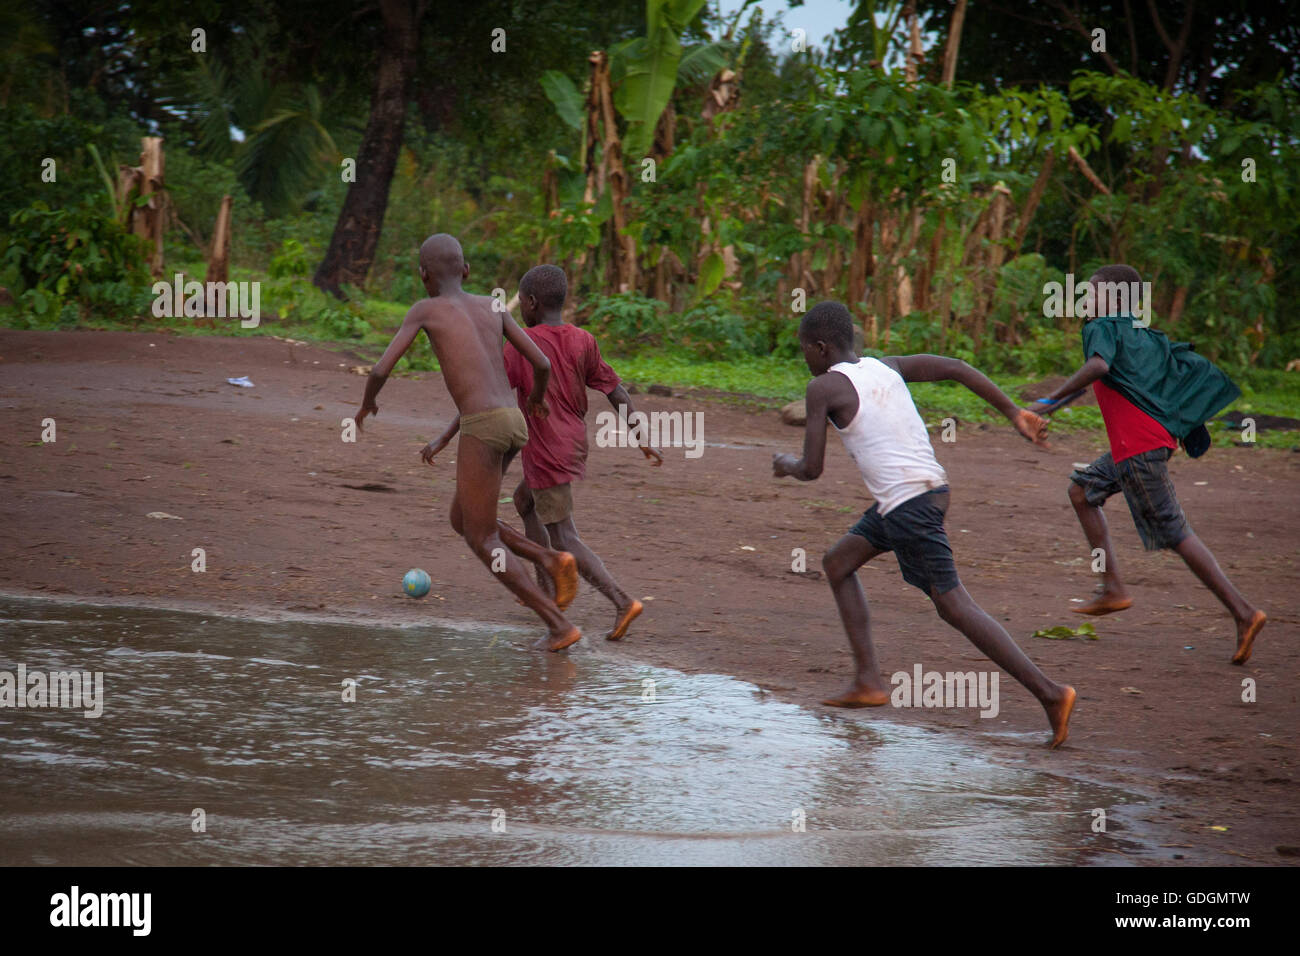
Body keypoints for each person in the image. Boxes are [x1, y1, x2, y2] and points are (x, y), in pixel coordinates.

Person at [773, 301, 1076, 748]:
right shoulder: (886, 366)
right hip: (926, 493)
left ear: (819, 347)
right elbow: (955, 367)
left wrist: (787, 465)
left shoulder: (822, 388)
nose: (805, 359)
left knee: (953, 605)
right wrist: (1015, 413)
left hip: (907, 507)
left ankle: (1050, 693)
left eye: (804, 350)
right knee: (838, 563)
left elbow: (813, 468)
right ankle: (868, 680)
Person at [353, 234, 582, 652]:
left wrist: (367, 405)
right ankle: (549, 558)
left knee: (481, 538)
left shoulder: (424, 309)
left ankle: (557, 624)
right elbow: (543, 363)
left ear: (423, 275)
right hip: (514, 422)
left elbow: (380, 369)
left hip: (482, 426)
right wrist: (534, 399)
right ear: (467, 271)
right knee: (463, 519)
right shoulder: (493, 305)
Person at [1038, 263, 1266, 664]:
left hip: (1137, 447)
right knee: (1082, 491)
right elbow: (1110, 376)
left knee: (1173, 531)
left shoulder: (1102, 327)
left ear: (1115, 301)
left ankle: (1244, 612)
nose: (1085, 300)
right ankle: (1112, 587)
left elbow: (1098, 367)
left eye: (1091, 293)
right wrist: (1052, 407)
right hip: (1151, 441)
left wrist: (1045, 400)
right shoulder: (1139, 333)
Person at [501, 264, 662, 641]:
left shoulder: (521, 345)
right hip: (571, 443)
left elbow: (493, 392)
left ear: (530, 303)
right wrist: (641, 436)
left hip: (547, 449)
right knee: (525, 501)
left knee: (564, 536)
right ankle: (545, 586)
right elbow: (615, 391)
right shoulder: (583, 341)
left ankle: (620, 601)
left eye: (521, 302)